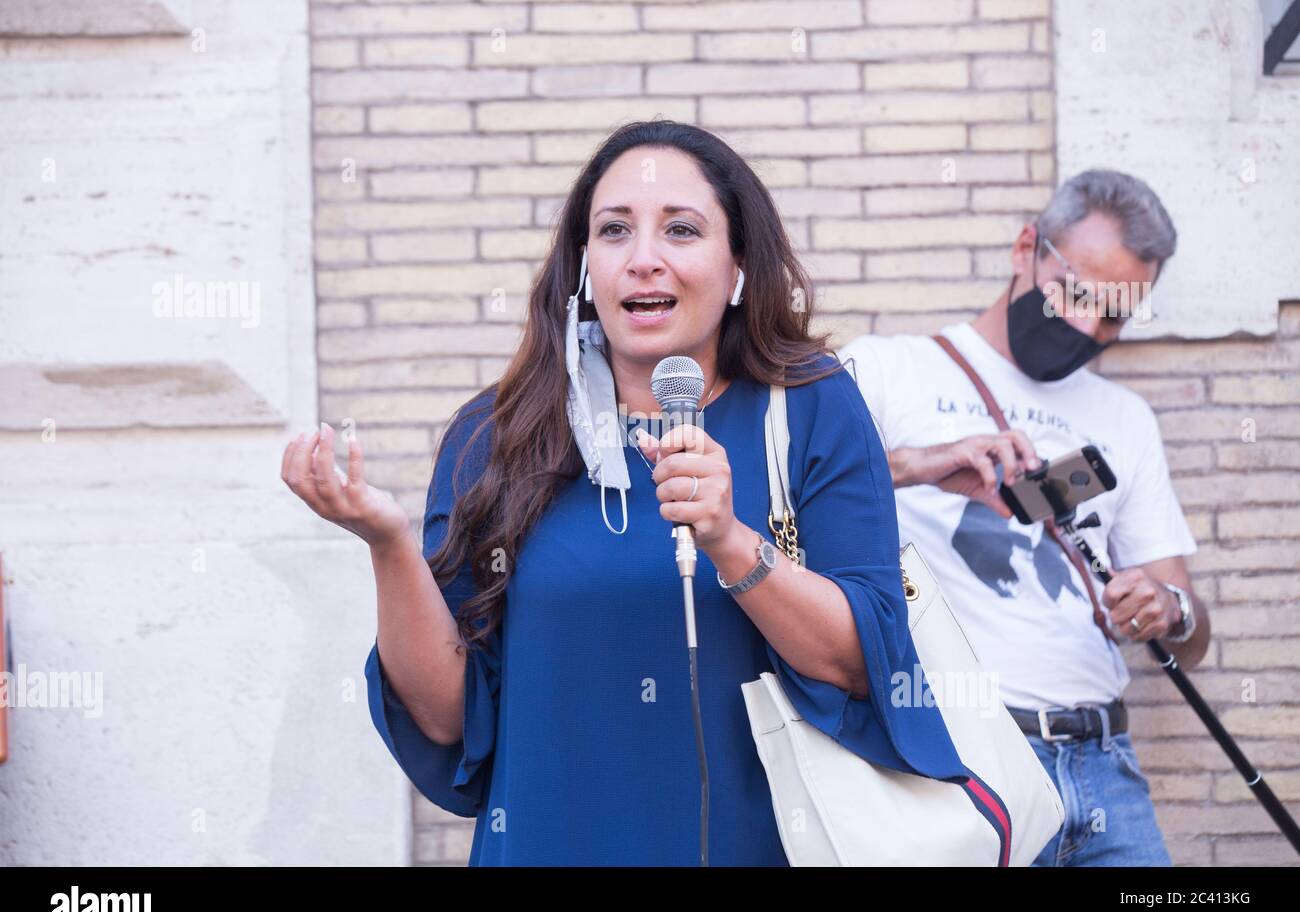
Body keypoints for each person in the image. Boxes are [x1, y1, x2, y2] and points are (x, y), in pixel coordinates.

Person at [282, 120, 972, 866]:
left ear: (738, 262)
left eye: (681, 230)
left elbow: (862, 662)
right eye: (614, 231)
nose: (644, 260)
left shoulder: (808, 408)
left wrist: (731, 542)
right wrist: (387, 545)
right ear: (584, 265)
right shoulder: (496, 433)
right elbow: (448, 716)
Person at [838, 169, 1212, 867]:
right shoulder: (889, 370)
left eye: (1114, 313)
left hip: (1105, 765)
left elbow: (1192, 635)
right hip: (964, 759)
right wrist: (920, 463)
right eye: (1075, 294)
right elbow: (792, 493)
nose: (1087, 327)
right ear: (1026, 249)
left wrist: (1168, 610)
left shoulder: (1125, 418)